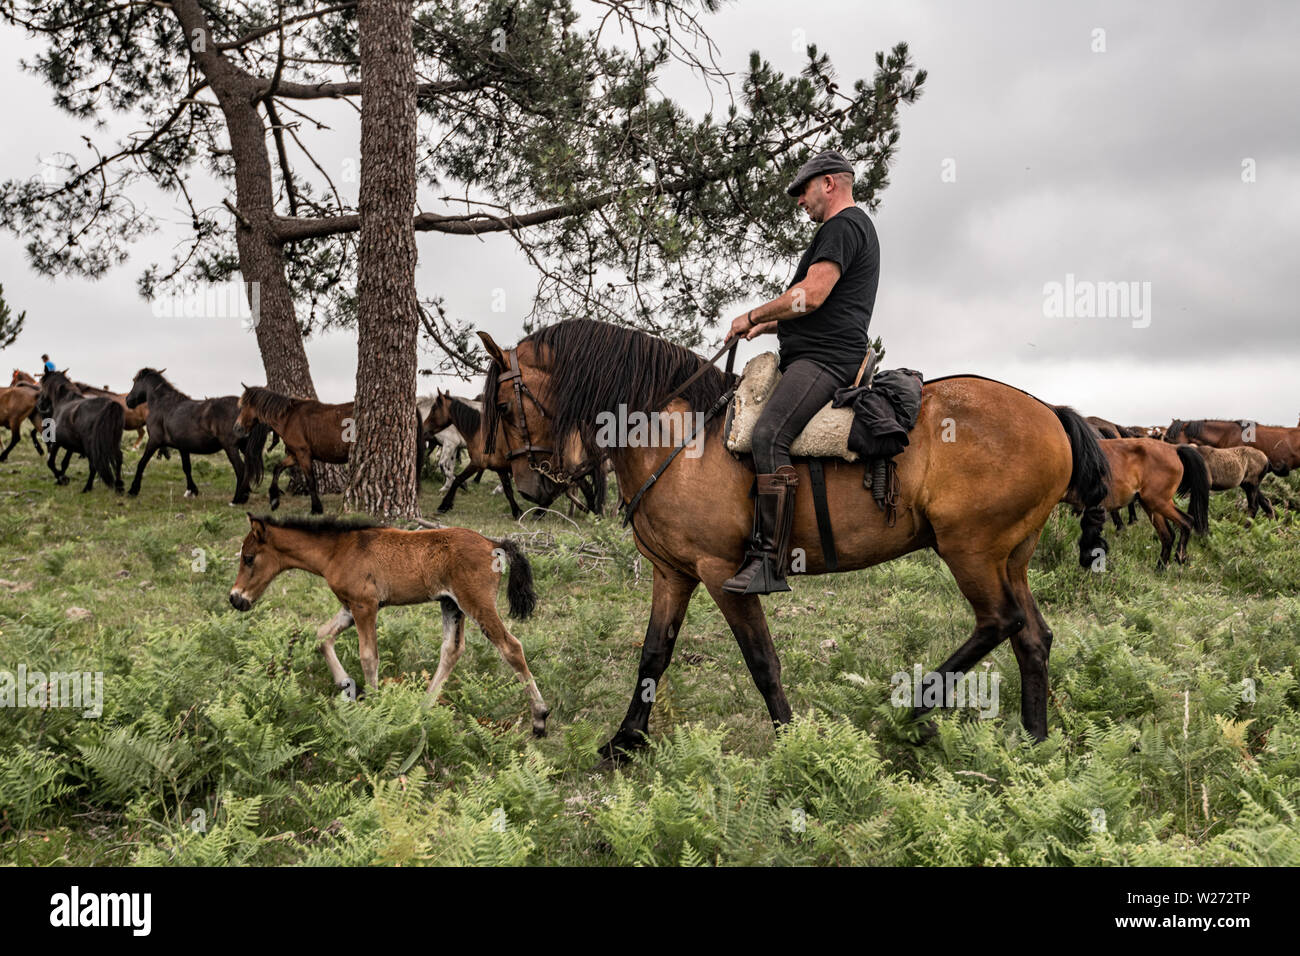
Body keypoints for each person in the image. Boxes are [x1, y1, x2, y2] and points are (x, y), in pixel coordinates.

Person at [721, 149, 881, 594]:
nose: (798, 200)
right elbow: (814, 308)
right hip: (817, 352)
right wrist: (766, 326)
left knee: (768, 434)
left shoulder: (842, 226)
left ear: (829, 184)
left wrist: (753, 315)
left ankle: (769, 561)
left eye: (803, 190)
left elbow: (810, 296)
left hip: (827, 361)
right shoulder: (845, 229)